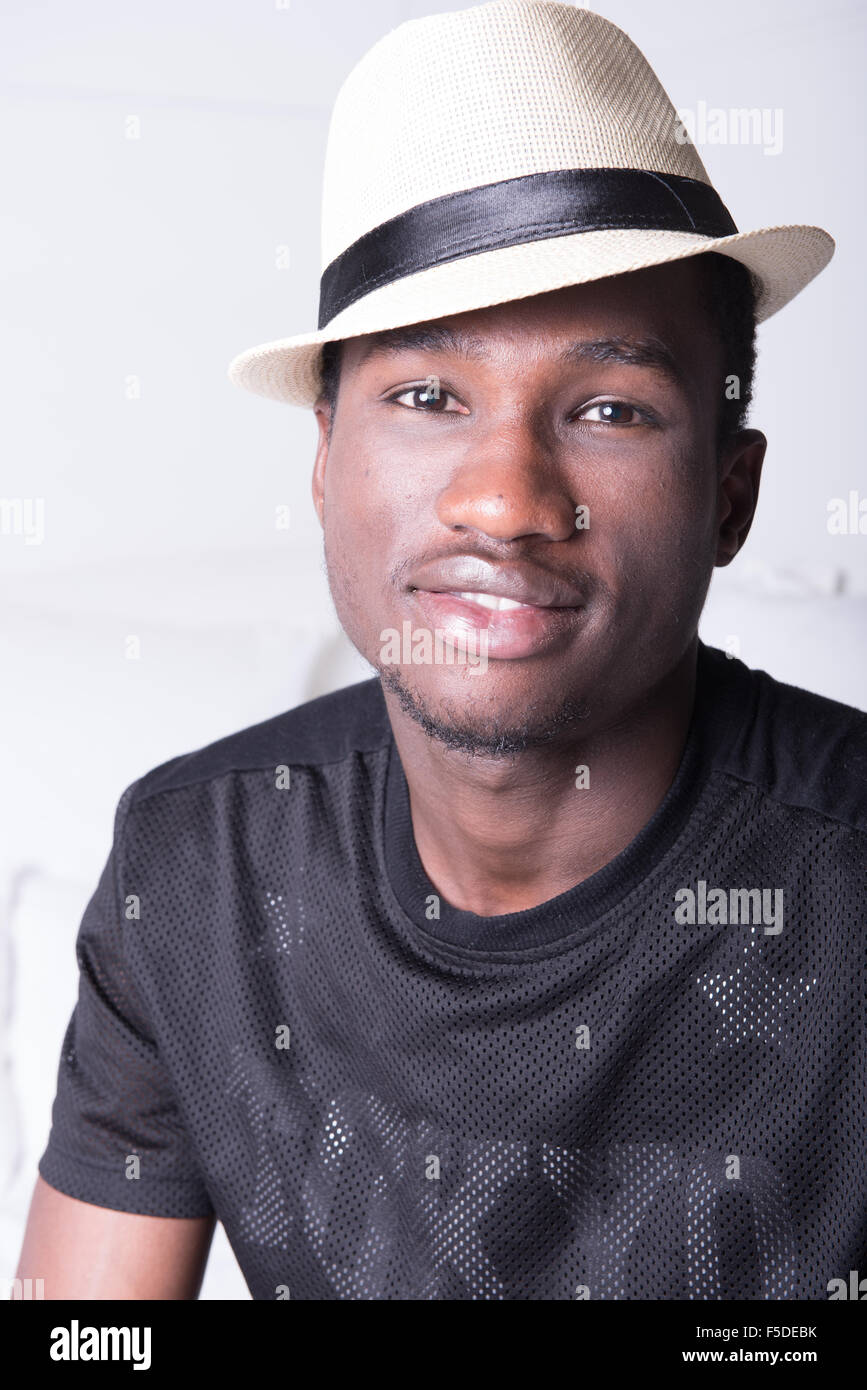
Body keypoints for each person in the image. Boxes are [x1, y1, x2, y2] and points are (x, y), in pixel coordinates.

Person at [17, 1, 865, 1300]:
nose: (506, 499)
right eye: (425, 396)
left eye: (610, 406)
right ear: (322, 463)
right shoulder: (195, 877)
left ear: (730, 498)